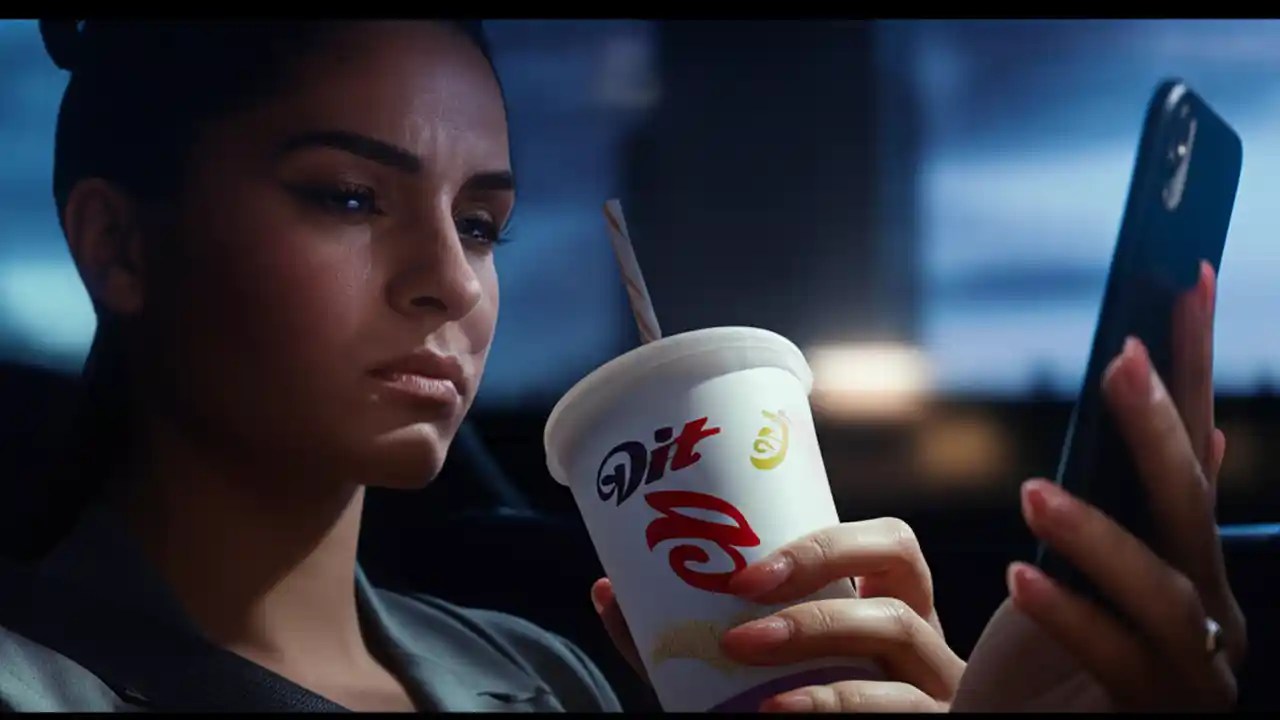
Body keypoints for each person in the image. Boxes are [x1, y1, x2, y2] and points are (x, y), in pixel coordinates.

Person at [0, 19, 1244, 713]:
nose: (451, 277)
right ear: (118, 242)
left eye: (483, 222)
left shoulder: (548, 681)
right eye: (345, 196)